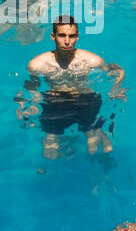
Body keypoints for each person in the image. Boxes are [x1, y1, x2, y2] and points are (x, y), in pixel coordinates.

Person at [17, 15, 125, 159]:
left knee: (99, 149)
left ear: (77, 37)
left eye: (71, 36)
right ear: (53, 36)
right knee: (50, 153)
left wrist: (117, 88)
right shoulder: (38, 65)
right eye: (62, 35)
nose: (67, 41)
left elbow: (116, 70)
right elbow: (31, 86)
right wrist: (28, 104)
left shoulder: (92, 61)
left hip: (86, 100)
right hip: (54, 103)